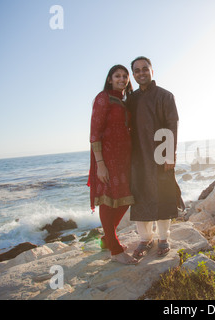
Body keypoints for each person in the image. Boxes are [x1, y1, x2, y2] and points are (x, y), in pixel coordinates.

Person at [127, 56, 185, 259]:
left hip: (161, 156)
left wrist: (170, 155)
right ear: (133, 75)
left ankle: (163, 238)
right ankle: (145, 239)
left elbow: (172, 125)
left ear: (152, 71)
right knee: (140, 196)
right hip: (138, 157)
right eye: (137, 70)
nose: (141, 72)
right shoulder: (131, 99)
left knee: (163, 197)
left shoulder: (165, 96)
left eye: (145, 69)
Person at [88, 64, 138, 265]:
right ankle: (115, 251)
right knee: (108, 200)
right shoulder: (103, 98)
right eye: (117, 76)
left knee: (126, 198)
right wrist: (100, 163)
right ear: (110, 79)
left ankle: (107, 239)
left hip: (125, 157)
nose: (122, 79)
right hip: (107, 157)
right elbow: (94, 132)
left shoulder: (124, 101)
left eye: (125, 76)